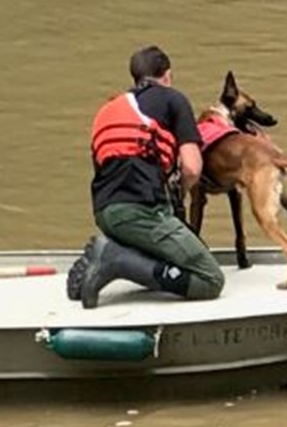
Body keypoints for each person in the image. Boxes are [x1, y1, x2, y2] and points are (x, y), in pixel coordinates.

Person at [69, 45, 225, 309]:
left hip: (106, 215)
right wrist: (181, 196)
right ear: (167, 76)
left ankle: (114, 255)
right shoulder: (173, 99)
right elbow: (192, 168)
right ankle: (116, 261)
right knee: (209, 279)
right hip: (143, 211)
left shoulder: (108, 109)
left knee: (171, 254)